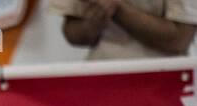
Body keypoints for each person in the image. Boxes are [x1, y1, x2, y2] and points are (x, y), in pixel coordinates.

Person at [57, 0, 197, 58]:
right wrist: (94, 21)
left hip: (163, 86)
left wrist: (118, 9)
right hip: (102, 80)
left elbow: (179, 39)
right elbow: (72, 32)